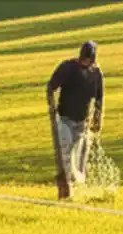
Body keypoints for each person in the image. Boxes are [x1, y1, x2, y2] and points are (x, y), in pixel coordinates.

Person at [46, 41, 104, 200]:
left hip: (82, 124)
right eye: (84, 58)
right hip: (64, 120)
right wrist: (51, 107)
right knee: (65, 156)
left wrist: (97, 120)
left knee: (79, 162)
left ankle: (72, 192)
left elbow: (99, 99)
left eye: (88, 59)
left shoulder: (96, 74)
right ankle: (64, 192)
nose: (85, 62)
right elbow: (51, 86)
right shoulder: (68, 68)